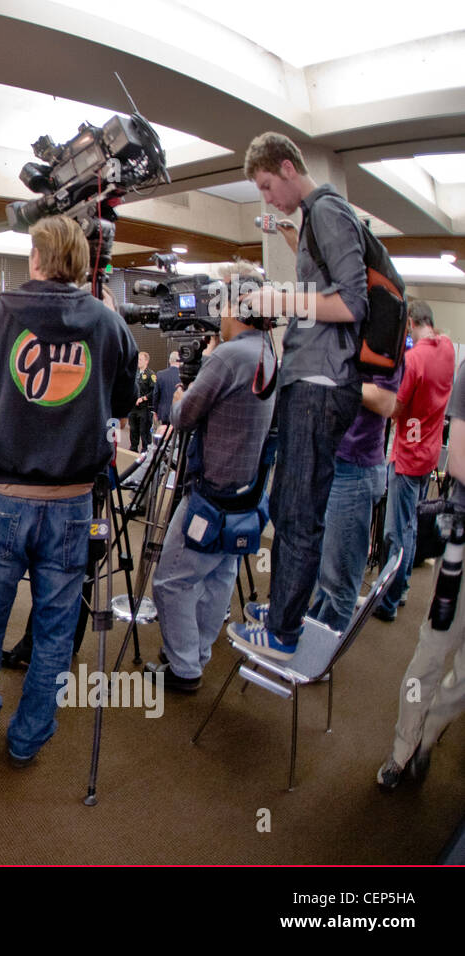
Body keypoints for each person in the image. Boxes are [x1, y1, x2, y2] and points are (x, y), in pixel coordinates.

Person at [0, 215, 137, 767]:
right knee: (55, 629)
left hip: (0, 499)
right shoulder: (108, 323)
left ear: (35, 259)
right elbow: (123, 406)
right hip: (73, 505)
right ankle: (29, 736)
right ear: (85, 264)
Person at [229, 131, 369, 660]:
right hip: (312, 379)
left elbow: (352, 302)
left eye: (267, 185)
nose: (267, 198)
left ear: (288, 167)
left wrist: (282, 299)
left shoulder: (328, 210)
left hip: (322, 383)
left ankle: (284, 632)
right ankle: (284, 610)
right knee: (290, 504)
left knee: (298, 510)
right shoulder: (314, 217)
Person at [145, 263, 277, 691]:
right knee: (219, 576)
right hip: (245, 494)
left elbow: (183, 416)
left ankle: (184, 667)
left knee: (170, 581)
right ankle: (196, 654)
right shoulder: (267, 349)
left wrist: (181, 393)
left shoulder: (228, 357)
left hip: (210, 495)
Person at [375, 352, 465, 791]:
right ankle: (403, 747)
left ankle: (428, 733)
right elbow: (459, 461)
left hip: (413, 464)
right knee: (432, 650)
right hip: (460, 546)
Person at [373, 301, 454, 622]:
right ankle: (403, 587)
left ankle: (388, 601)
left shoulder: (414, 360)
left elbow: (393, 408)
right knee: (411, 525)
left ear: (409, 323)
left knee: (396, 532)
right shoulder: (447, 348)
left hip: (407, 455)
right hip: (429, 453)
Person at [306, 362, 400, 633]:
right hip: (334, 460)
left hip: (354, 470)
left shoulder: (384, 341)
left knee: (338, 585)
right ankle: (310, 639)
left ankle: (319, 653)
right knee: (326, 575)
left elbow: (385, 401)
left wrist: (332, 379)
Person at [128, 351, 157, 452]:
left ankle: (145, 451)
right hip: (133, 408)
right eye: (138, 359)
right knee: (133, 430)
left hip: (144, 408)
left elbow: (154, 391)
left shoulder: (151, 374)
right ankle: (133, 449)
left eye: (140, 359)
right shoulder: (134, 373)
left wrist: (143, 398)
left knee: (144, 431)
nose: (138, 361)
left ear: (146, 361)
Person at [152, 351, 181, 431]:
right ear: (180, 361)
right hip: (179, 413)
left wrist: (155, 410)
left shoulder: (160, 374)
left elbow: (156, 394)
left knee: (164, 434)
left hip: (164, 413)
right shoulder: (184, 376)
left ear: (169, 361)